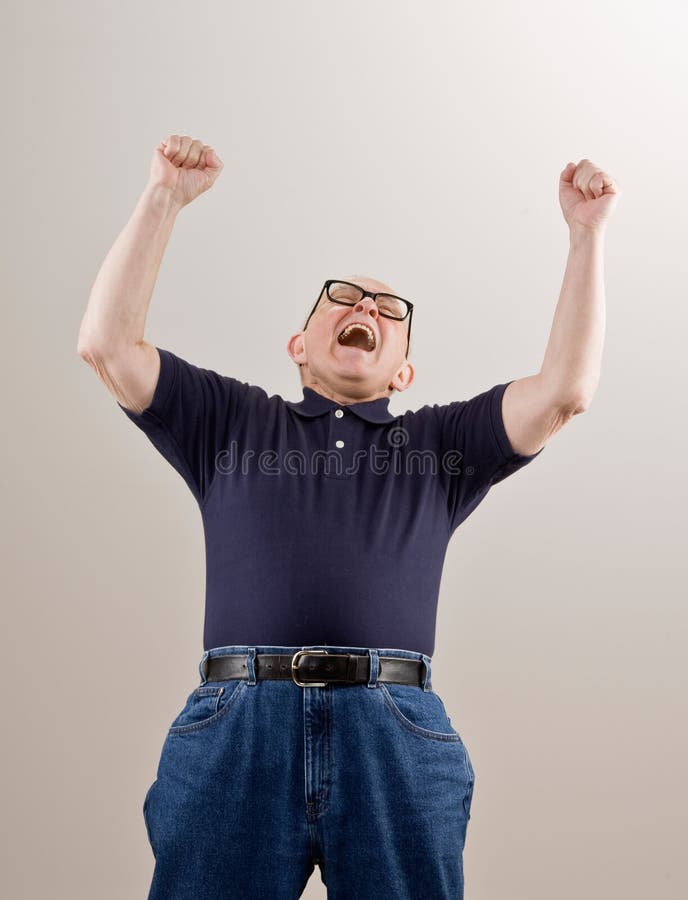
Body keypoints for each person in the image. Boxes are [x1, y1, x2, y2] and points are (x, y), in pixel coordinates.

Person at [77, 134, 620, 899]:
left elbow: (565, 390)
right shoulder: (229, 420)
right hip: (237, 730)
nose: (365, 306)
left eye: (389, 310)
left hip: (392, 734)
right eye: (344, 297)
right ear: (300, 346)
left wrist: (586, 235)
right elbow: (106, 345)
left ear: (404, 370)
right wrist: (163, 198)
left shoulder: (440, 444)